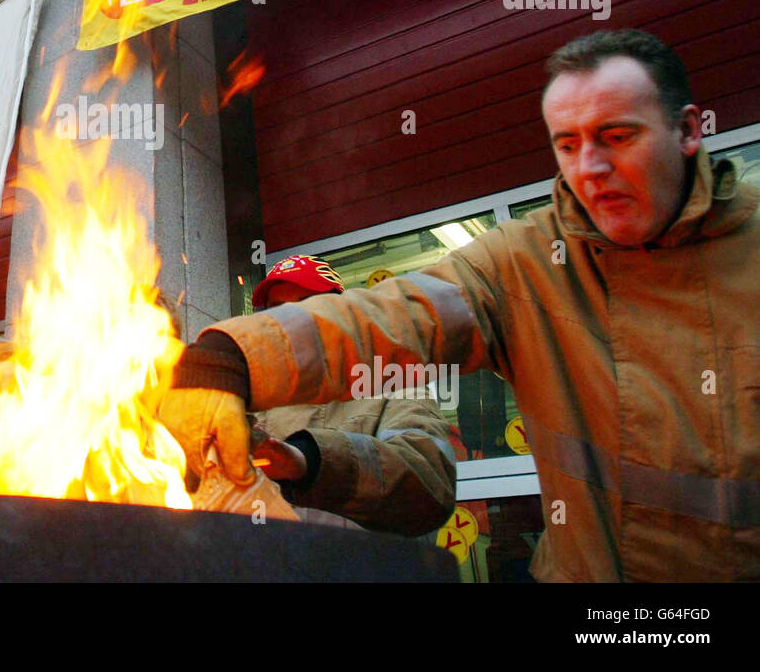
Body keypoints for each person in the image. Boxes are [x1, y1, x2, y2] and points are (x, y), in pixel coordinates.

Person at [160, 29, 759, 581]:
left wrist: (308, 460)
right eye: (567, 145)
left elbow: (424, 481)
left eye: (618, 136)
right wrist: (231, 357)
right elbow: (404, 310)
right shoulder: (526, 259)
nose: (590, 168)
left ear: (688, 130)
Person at [245, 256, 455, 535]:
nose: (290, 319)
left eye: (307, 303)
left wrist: (308, 461)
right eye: (278, 309)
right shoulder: (254, 397)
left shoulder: (393, 381)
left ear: (342, 312)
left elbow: (429, 482)